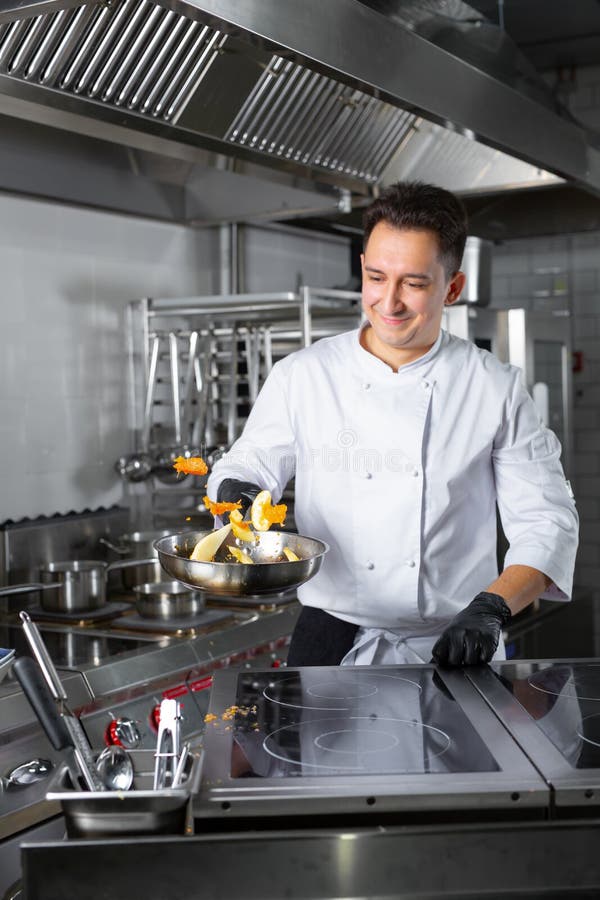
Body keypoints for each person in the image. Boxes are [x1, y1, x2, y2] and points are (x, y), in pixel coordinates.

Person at [206, 181, 578, 667]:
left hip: (457, 642)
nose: (389, 302)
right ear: (362, 268)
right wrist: (238, 489)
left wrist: (494, 607)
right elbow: (251, 465)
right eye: (377, 277)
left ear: (453, 287)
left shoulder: (494, 387)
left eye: (414, 283)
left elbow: (546, 521)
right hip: (329, 642)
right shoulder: (304, 374)